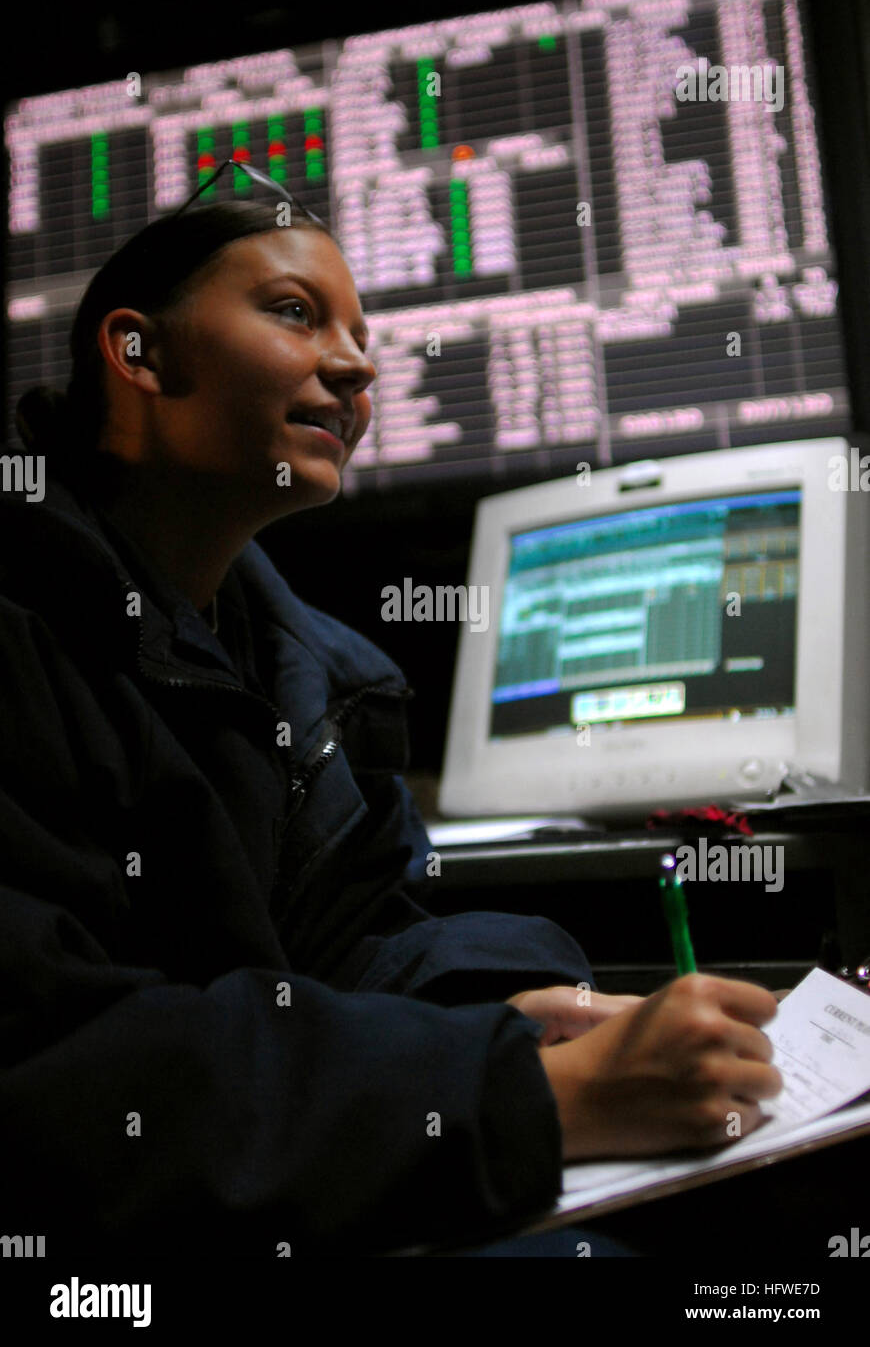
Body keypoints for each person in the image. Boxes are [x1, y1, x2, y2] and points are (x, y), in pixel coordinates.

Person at [0, 200, 782, 1259]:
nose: (359, 368)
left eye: (362, 338)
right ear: (136, 354)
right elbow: (61, 1071)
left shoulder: (308, 678)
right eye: (296, 313)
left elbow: (333, 961)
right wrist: (513, 1092)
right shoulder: (21, 636)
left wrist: (499, 1015)